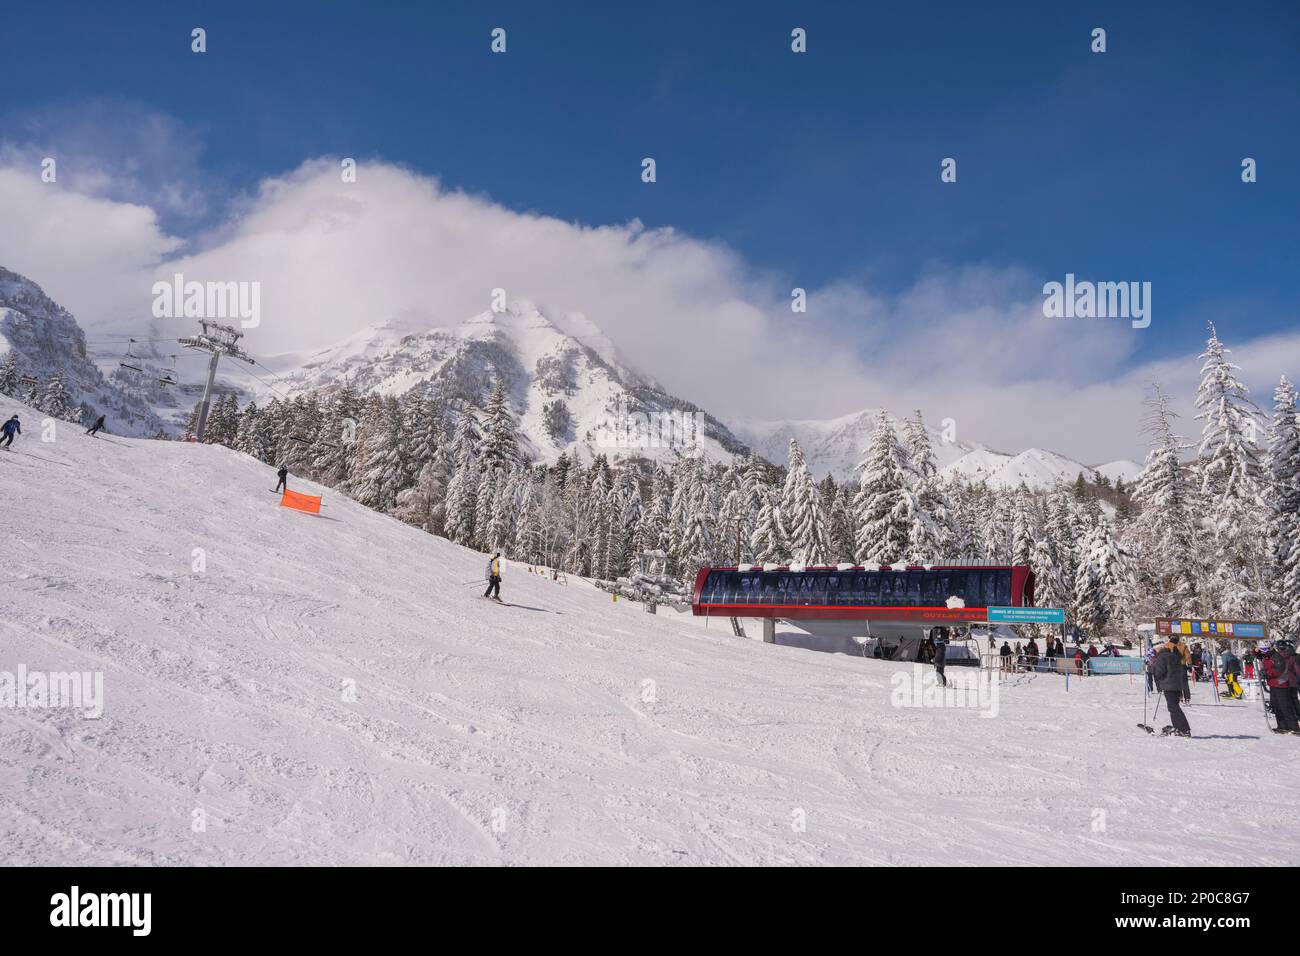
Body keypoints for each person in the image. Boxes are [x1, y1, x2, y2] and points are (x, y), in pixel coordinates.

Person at [1150, 637, 1192, 737]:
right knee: (1173, 708)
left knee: (1174, 708)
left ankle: (1184, 729)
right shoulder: (1174, 656)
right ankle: (1178, 728)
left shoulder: (1161, 657)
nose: (1155, 651)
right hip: (1177, 685)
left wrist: (1151, 668)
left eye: (1155, 649)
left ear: (1158, 648)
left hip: (1169, 686)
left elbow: (1159, 672)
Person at [1259, 641, 1300, 734]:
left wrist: (1267, 673)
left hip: (1281, 684)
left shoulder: (1276, 656)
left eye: (1265, 649)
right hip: (1273, 684)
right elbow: (1258, 655)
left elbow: (1279, 670)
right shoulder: (1267, 656)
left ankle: (1294, 727)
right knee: (1276, 706)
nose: (1263, 651)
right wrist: (1264, 672)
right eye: (1262, 649)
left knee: (1285, 706)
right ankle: (1282, 726)